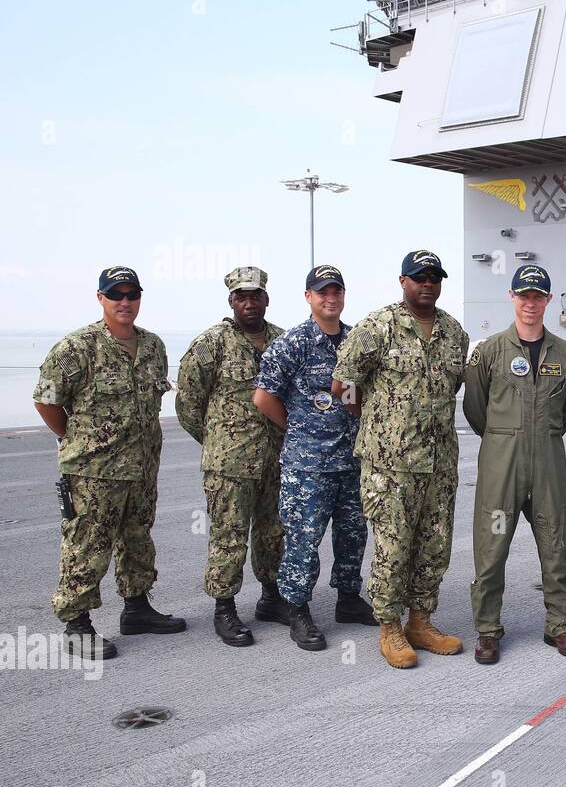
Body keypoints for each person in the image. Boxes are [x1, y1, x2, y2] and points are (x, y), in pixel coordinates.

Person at [33, 266, 186, 659]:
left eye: (131, 294)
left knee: (137, 537)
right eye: (115, 294)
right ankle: (77, 623)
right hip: (92, 472)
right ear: (100, 298)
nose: (124, 302)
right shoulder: (77, 347)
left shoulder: (153, 347)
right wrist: (74, 440)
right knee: (87, 545)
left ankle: (137, 608)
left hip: (141, 467)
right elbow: (46, 399)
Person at [332, 250, 468, 669]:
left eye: (434, 277)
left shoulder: (453, 333)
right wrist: (377, 421)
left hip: (439, 463)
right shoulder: (377, 327)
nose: (427, 283)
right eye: (418, 277)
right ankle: (389, 628)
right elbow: (343, 387)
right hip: (389, 468)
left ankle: (421, 622)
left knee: (434, 545)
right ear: (403, 281)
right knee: (393, 546)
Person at [462, 265, 566, 665]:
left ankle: (560, 626)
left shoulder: (565, 353)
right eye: (523, 295)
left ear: (548, 300)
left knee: (555, 543)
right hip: (502, 464)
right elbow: (475, 409)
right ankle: (487, 631)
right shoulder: (489, 351)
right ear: (511, 297)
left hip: (547, 461)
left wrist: (541, 436)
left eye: (538, 296)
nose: (530, 303)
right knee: (492, 546)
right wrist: (504, 439)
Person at [254, 264, 374, 652]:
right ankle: (298, 608)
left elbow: (358, 393)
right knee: (304, 540)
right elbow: (263, 397)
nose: (330, 297)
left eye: (336, 290)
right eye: (322, 291)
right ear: (308, 297)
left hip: (351, 461)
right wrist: (297, 428)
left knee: (353, 535)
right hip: (308, 465)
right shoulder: (294, 344)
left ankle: (348, 598)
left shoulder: (355, 341)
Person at [177, 266, 286, 646]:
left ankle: (272, 598)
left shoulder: (282, 341)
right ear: (231, 301)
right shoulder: (211, 343)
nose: (250, 303)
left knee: (274, 533)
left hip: (276, 460)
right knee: (229, 536)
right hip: (230, 466)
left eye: (256, 296)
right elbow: (188, 403)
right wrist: (217, 443)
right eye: (242, 296)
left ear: (266, 299)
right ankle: (225, 608)